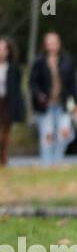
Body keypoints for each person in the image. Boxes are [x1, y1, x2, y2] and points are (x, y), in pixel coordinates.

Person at [28, 31, 77, 166]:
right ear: (45, 44)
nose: (52, 45)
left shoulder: (67, 60)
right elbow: (32, 82)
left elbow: (73, 84)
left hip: (63, 104)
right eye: (49, 42)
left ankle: (57, 161)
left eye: (54, 42)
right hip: (45, 105)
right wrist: (39, 95)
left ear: (59, 44)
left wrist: (76, 103)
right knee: (47, 135)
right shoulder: (39, 61)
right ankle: (47, 164)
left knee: (64, 133)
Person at [0, 36, 26, 167]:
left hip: (6, 104)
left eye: (4, 49)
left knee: (5, 134)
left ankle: (3, 160)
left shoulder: (13, 68)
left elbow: (17, 90)